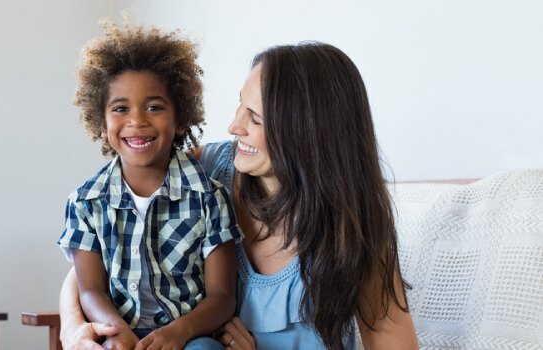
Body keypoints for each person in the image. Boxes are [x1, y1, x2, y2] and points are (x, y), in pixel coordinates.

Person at [59, 41, 419, 350]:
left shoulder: (354, 233)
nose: (234, 127)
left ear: (308, 133)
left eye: (256, 119)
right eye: (239, 106)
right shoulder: (207, 170)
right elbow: (103, 258)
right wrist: (74, 327)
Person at [57, 20, 243, 350]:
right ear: (102, 123)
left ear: (180, 117)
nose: (137, 120)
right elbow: (90, 290)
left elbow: (222, 296)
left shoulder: (210, 197)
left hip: (190, 336)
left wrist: (179, 333)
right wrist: (115, 330)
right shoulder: (85, 202)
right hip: (120, 333)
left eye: (154, 107)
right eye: (120, 108)